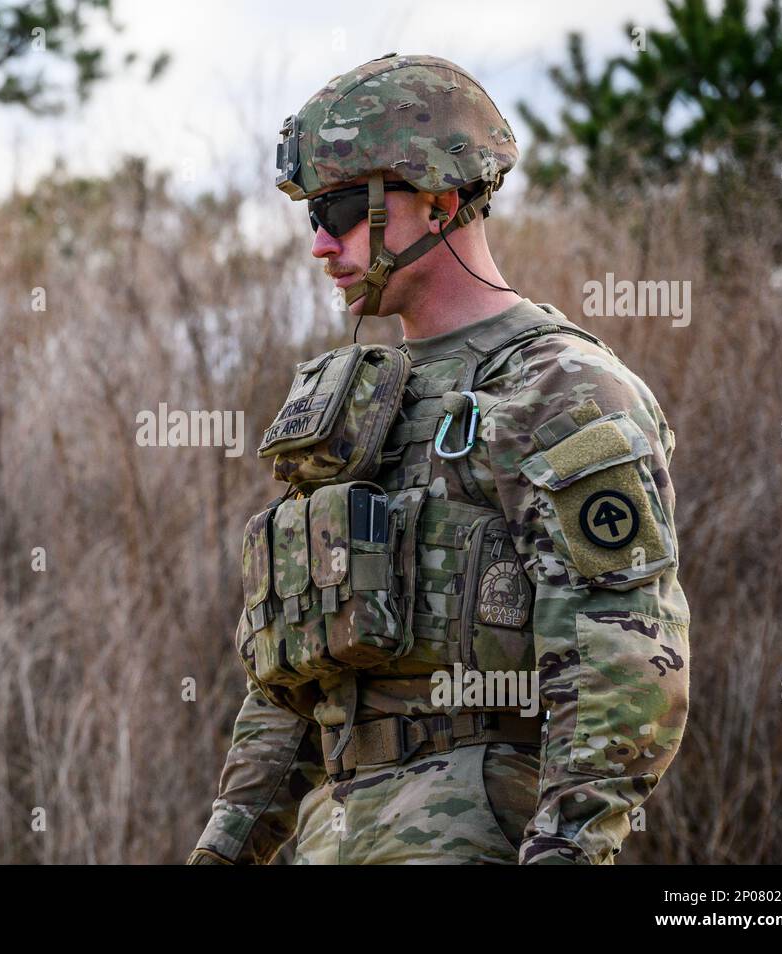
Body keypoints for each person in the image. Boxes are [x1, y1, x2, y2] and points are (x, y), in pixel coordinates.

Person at [188, 54, 690, 865]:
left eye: (346, 208)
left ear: (442, 201)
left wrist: (565, 848)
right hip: (336, 835)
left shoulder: (560, 386)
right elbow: (290, 689)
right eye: (312, 213)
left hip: (474, 829)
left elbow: (623, 655)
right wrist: (224, 851)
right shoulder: (351, 409)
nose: (320, 243)